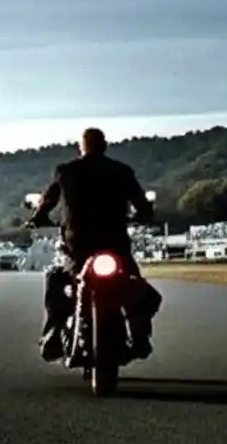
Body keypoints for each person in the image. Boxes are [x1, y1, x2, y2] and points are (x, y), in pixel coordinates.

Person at [26, 127, 158, 361]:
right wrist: (144, 215)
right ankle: (139, 334)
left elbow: (48, 201)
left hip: (78, 246)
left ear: (82, 147)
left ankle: (54, 333)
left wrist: (37, 218)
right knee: (137, 287)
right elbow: (142, 205)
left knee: (57, 280)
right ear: (104, 146)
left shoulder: (66, 171)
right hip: (115, 246)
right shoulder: (121, 171)